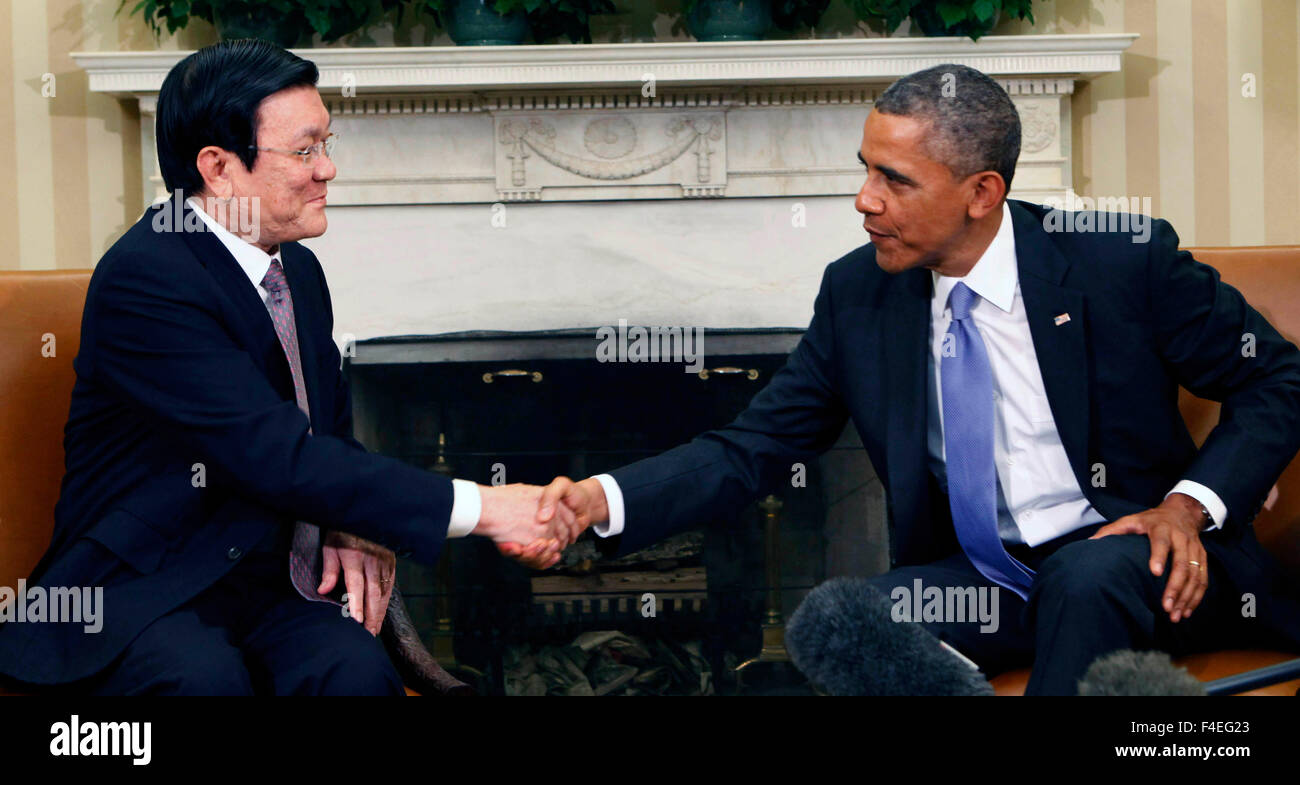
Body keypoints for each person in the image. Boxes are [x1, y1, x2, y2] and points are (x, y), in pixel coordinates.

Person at [524, 64, 1300, 695]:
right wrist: (599, 500)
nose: (865, 200)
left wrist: (1187, 507)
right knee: (843, 616)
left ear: (982, 193)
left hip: (1145, 564)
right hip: (991, 581)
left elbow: (1279, 378)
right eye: (866, 171)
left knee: (1086, 576)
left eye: (895, 179)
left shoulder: (1117, 260)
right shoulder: (859, 293)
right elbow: (752, 445)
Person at [0, 39, 577, 695]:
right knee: (204, 681)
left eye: (326, 143)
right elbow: (276, 455)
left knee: (354, 670)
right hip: (146, 585)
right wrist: (486, 507)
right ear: (218, 167)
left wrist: (349, 522)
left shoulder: (295, 268)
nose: (327, 168)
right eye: (304, 151)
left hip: (268, 577)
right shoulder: (148, 278)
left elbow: (325, 434)